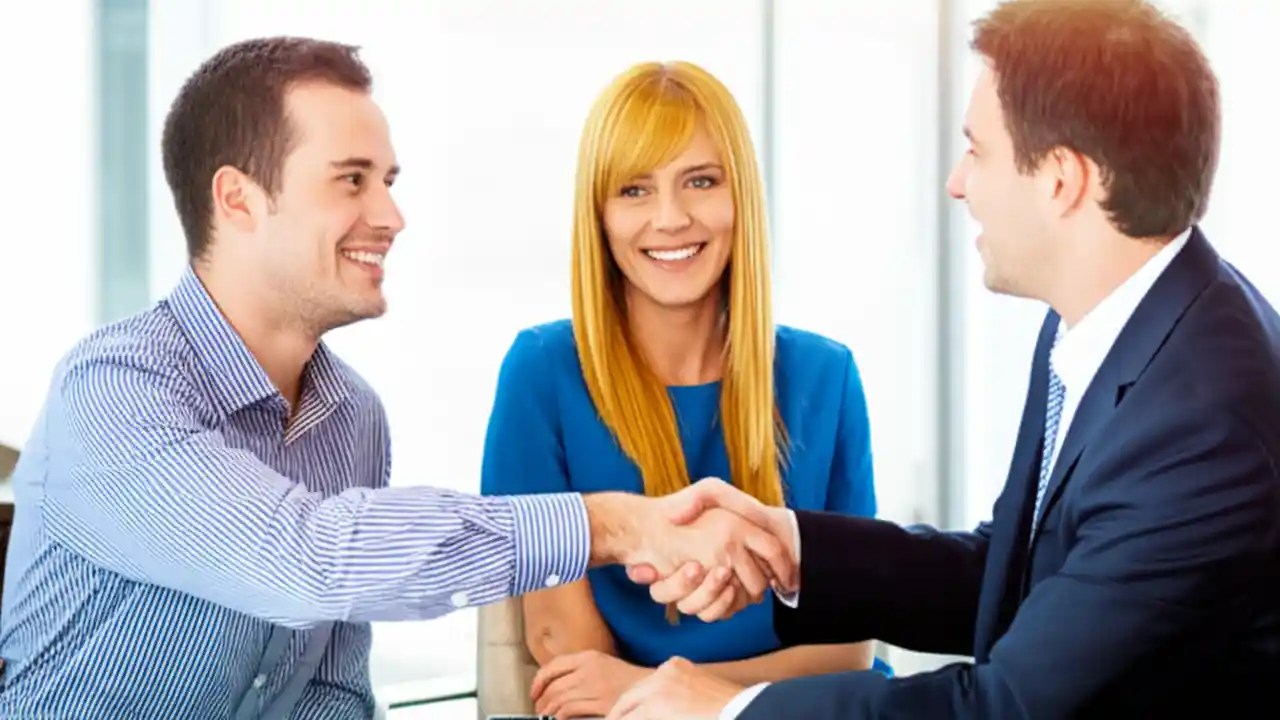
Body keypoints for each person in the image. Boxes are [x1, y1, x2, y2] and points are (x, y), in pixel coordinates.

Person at [0, 38, 797, 718]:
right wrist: (619, 525)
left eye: (389, 180)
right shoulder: (113, 392)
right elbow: (310, 561)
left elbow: (331, 692)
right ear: (238, 200)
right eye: (352, 180)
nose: (391, 215)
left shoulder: (352, 418)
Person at [611, 1, 1280, 718]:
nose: (958, 182)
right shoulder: (1108, 319)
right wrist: (791, 548)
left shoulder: (1203, 421)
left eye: (978, 150)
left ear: (1061, 179)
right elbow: (1016, 573)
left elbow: (1005, 709)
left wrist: (726, 711)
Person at [480, 60, 882, 718]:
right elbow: (563, 642)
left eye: (700, 181)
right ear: (600, 216)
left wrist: (695, 695)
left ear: (739, 197)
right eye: (635, 190)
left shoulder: (825, 375)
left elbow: (847, 649)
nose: (670, 218)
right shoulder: (542, 372)